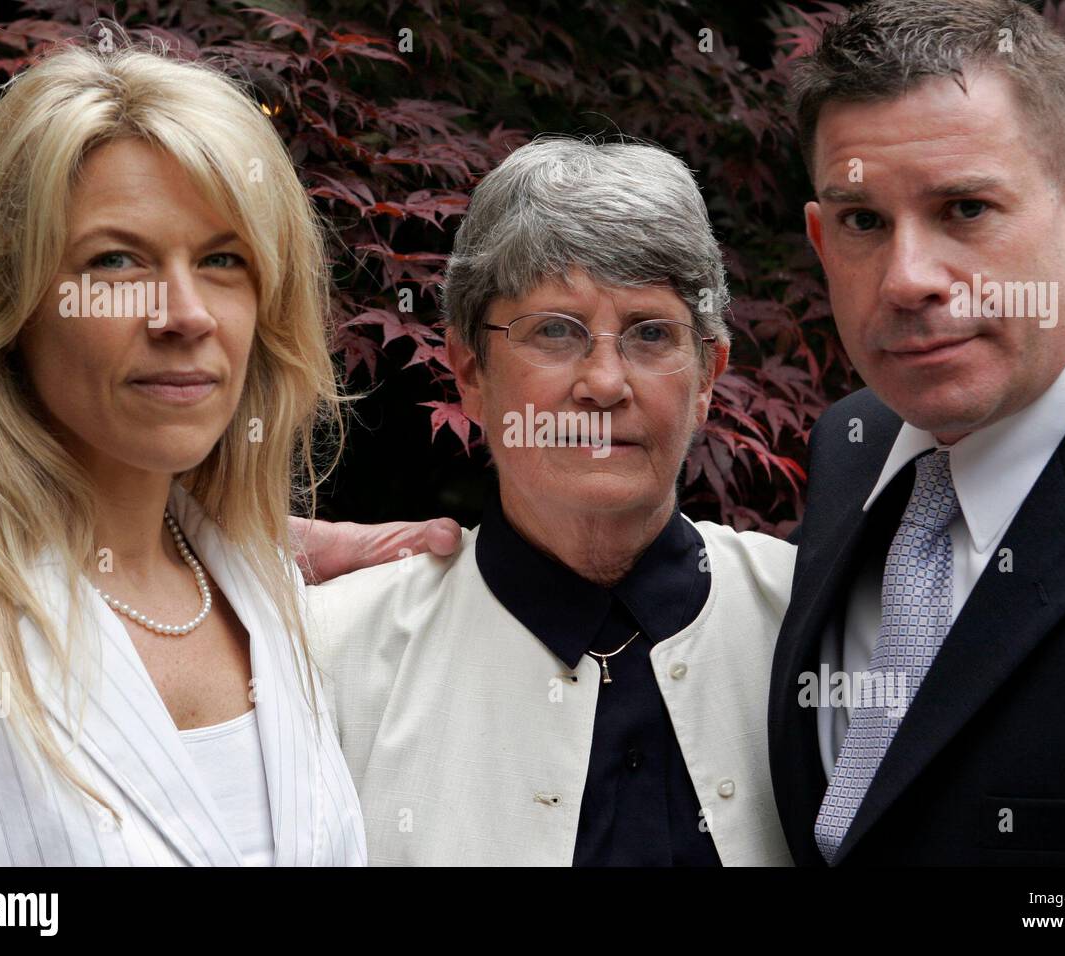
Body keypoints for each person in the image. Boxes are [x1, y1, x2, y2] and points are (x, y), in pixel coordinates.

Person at [0, 42, 400, 865]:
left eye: (221, 261)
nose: (184, 314)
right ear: (9, 302)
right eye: (117, 260)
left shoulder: (269, 594)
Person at [767, 0, 1065, 865]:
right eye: (863, 221)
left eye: (965, 208)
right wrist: (447, 579)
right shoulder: (851, 446)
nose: (909, 279)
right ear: (821, 238)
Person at [307, 138, 797, 866]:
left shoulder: (808, 621)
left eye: (652, 333)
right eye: (555, 332)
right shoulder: (330, 654)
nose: (604, 383)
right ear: (470, 371)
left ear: (707, 378)